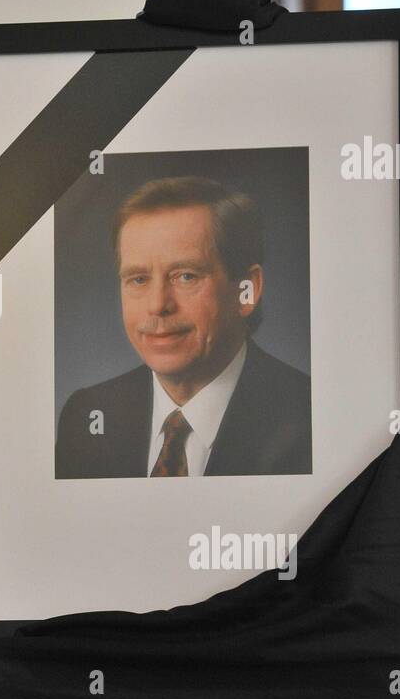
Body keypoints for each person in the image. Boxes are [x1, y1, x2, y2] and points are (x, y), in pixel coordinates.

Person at [56, 176, 311, 478]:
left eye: (186, 276)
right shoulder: (86, 413)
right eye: (138, 279)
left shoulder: (310, 415)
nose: (158, 304)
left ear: (246, 290)